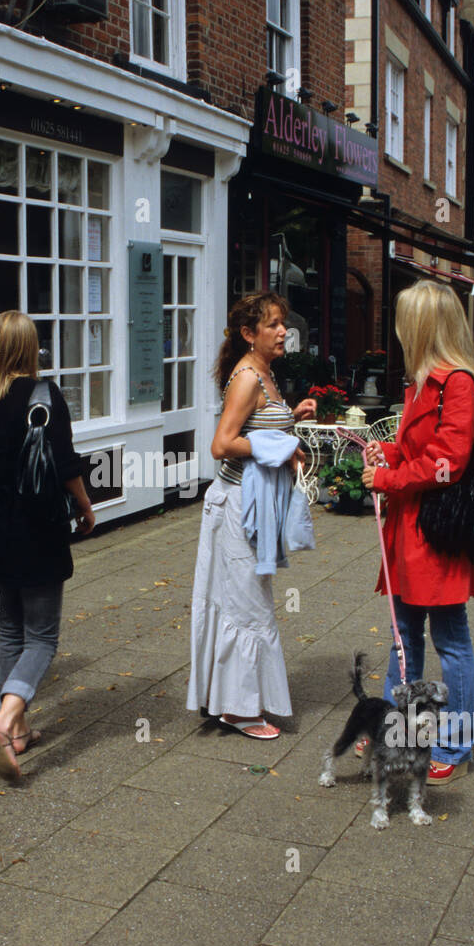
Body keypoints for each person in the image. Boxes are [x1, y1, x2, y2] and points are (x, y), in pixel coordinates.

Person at [0, 311, 94, 780]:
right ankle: (6, 718)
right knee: (43, 636)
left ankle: (18, 734)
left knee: (10, 631)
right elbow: (67, 464)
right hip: (40, 529)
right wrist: (86, 506)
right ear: (29, 349)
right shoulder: (45, 397)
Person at [361, 280, 474, 785]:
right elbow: (421, 451)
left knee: (449, 638)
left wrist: (389, 476)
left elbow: (448, 463)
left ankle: (455, 743)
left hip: (435, 530)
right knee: (404, 635)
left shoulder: (455, 382)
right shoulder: (421, 382)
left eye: (403, 322)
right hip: (411, 526)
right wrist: (388, 456)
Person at [187, 293, 316, 740]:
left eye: (283, 324)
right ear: (249, 334)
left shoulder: (265, 372)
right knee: (246, 604)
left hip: (252, 501)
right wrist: (278, 445)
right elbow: (222, 444)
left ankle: (230, 699)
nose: (283, 332)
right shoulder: (247, 377)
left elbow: (257, 430)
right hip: (237, 503)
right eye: (274, 325)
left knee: (246, 599)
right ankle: (239, 711)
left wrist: (290, 419)